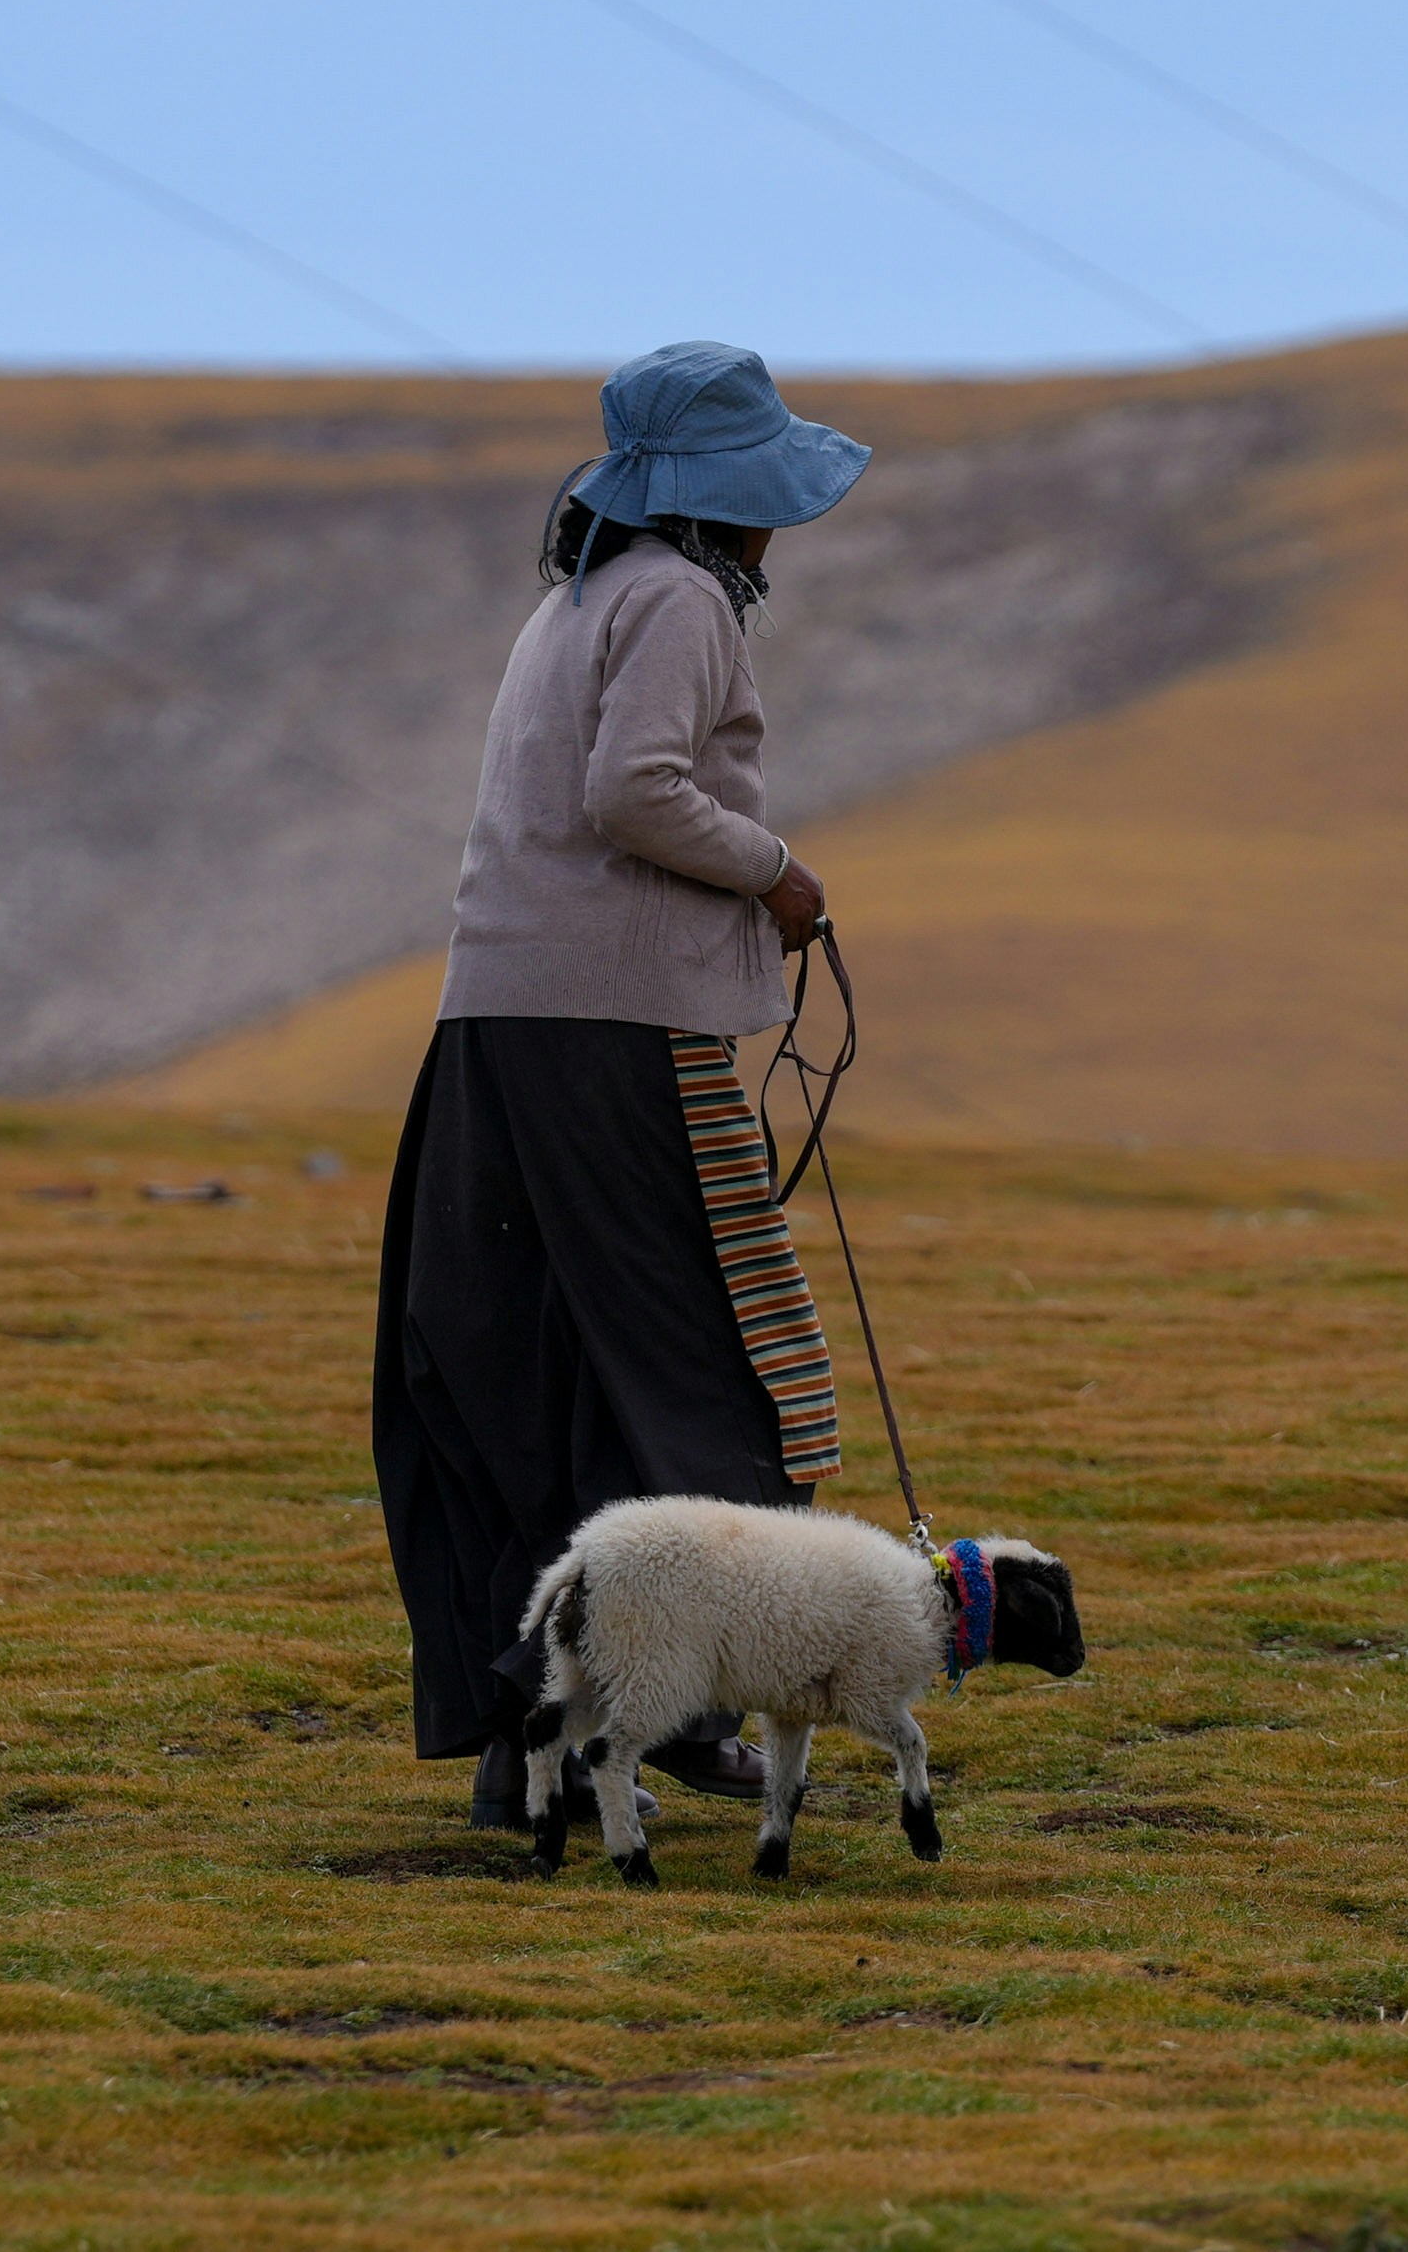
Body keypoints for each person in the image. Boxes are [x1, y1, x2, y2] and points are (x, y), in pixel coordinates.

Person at [374, 340, 870, 1818]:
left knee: (540, 1376)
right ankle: (682, 1693)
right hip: (623, 1033)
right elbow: (636, 790)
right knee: (713, 1370)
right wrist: (779, 876)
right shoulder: (681, 596)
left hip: (494, 1026)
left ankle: (543, 1733)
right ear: (729, 500)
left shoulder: (575, 595)